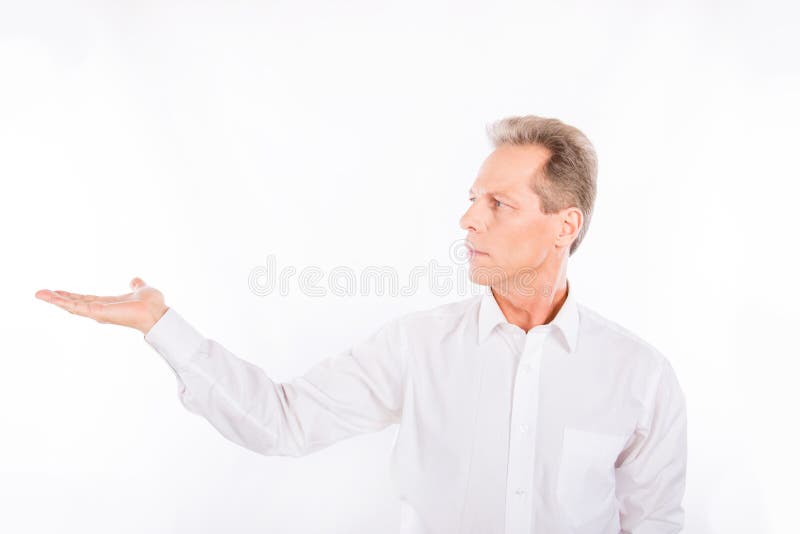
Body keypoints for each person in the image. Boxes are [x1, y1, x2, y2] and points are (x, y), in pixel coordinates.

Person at [35, 115, 687, 533]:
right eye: (470, 201)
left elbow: (653, 520)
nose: (469, 221)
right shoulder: (418, 347)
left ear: (564, 225)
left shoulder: (639, 376)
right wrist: (162, 326)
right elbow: (284, 423)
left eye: (498, 204)